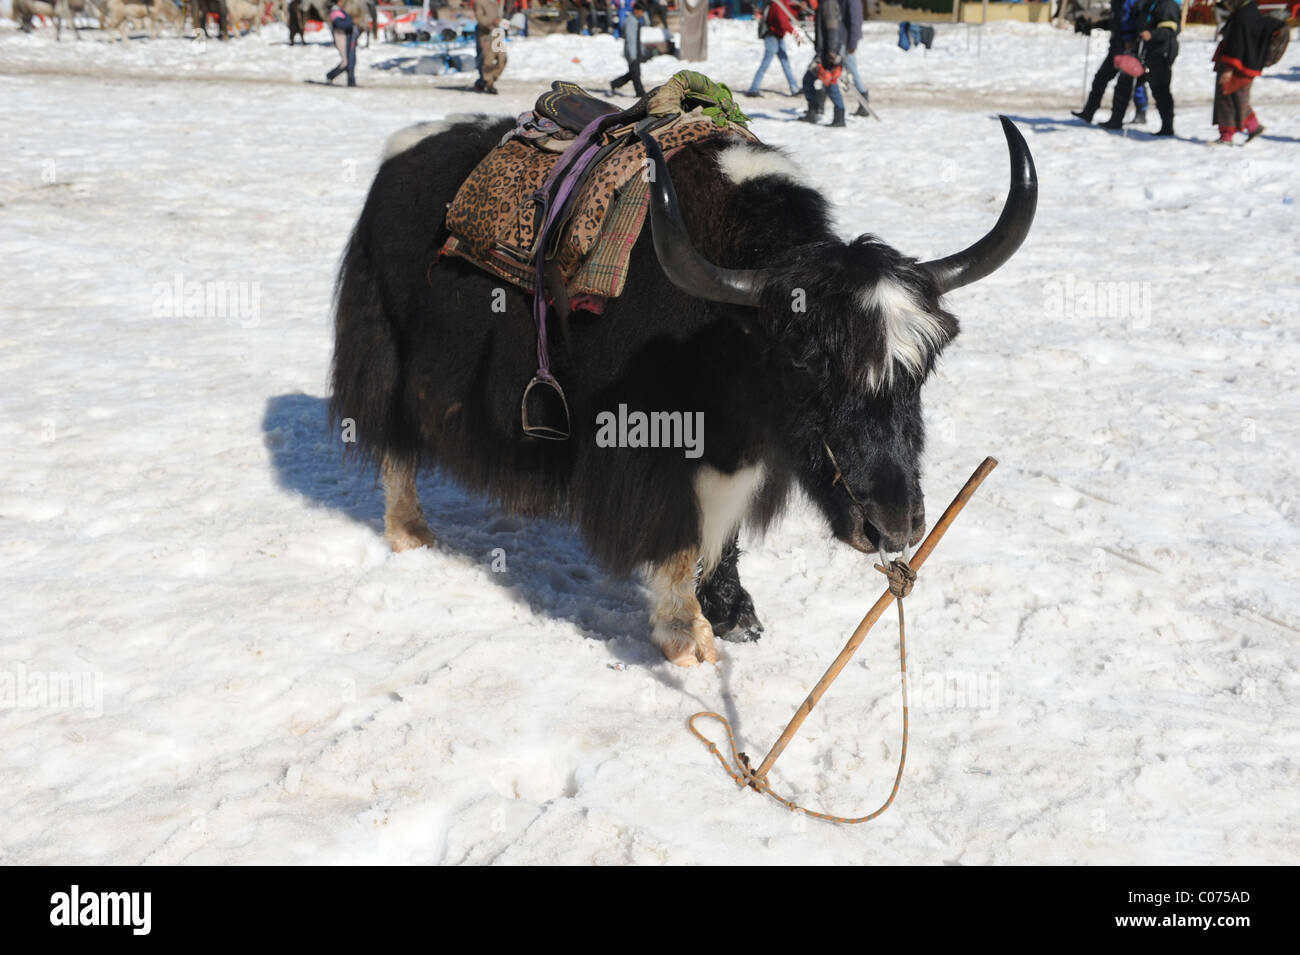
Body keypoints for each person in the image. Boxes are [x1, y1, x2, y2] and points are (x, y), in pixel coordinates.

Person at [1072, 0, 1150, 127]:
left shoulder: (1133, 2)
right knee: (1100, 79)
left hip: (1129, 48)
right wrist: (1094, 25)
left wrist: (1132, 40)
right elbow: (1115, 22)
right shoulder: (1117, 2)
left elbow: (1137, 21)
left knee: (1127, 84)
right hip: (1116, 47)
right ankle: (1088, 112)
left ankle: (1125, 116)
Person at [1211, 0, 1275, 144]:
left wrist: (1228, 69)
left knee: (1226, 99)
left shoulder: (1242, 16)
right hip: (1247, 64)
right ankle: (1253, 127)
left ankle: (1227, 136)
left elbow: (1237, 44)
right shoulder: (1250, 10)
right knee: (1239, 99)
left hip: (1235, 64)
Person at [1129, 0, 1181, 136]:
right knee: (1152, 86)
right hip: (1150, 51)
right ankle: (1145, 115)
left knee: (1161, 89)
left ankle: (1167, 126)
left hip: (1162, 52)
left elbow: (1170, 30)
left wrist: (1152, 34)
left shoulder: (1168, 5)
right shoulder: (1151, 3)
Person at [801, 0, 847, 127]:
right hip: (824, 51)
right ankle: (813, 111)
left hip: (828, 52)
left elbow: (832, 29)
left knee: (830, 83)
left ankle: (839, 116)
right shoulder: (823, 3)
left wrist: (831, 52)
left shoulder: (828, 4)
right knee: (808, 79)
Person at [744, 0, 802, 97]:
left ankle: (794, 88)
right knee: (766, 63)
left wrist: (800, 8)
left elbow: (790, 13)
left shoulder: (784, 2)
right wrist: (795, 33)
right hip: (771, 37)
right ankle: (753, 89)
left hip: (779, 37)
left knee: (785, 62)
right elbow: (782, 22)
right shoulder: (777, 4)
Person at [611, 0, 647, 97]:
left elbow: (637, 38)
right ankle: (640, 92)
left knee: (633, 73)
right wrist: (632, 54)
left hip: (636, 51)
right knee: (636, 75)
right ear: (636, 10)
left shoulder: (635, 20)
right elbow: (630, 40)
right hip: (632, 52)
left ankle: (615, 83)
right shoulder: (631, 21)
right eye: (641, 11)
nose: (642, 13)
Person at [473, 0, 508, 94]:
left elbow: (499, 18)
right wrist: (492, 21)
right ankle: (488, 83)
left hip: (497, 34)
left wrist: (502, 22)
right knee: (487, 60)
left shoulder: (496, 2)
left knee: (502, 59)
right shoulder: (479, 3)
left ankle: (488, 79)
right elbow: (481, 20)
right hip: (486, 35)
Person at [325, 2, 359, 87]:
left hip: (347, 37)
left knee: (351, 60)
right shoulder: (335, 12)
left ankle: (351, 81)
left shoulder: (340, 11)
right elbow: (339, 24)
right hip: (341, 37)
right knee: (346, 62)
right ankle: (330, 75)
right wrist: (351, 22)